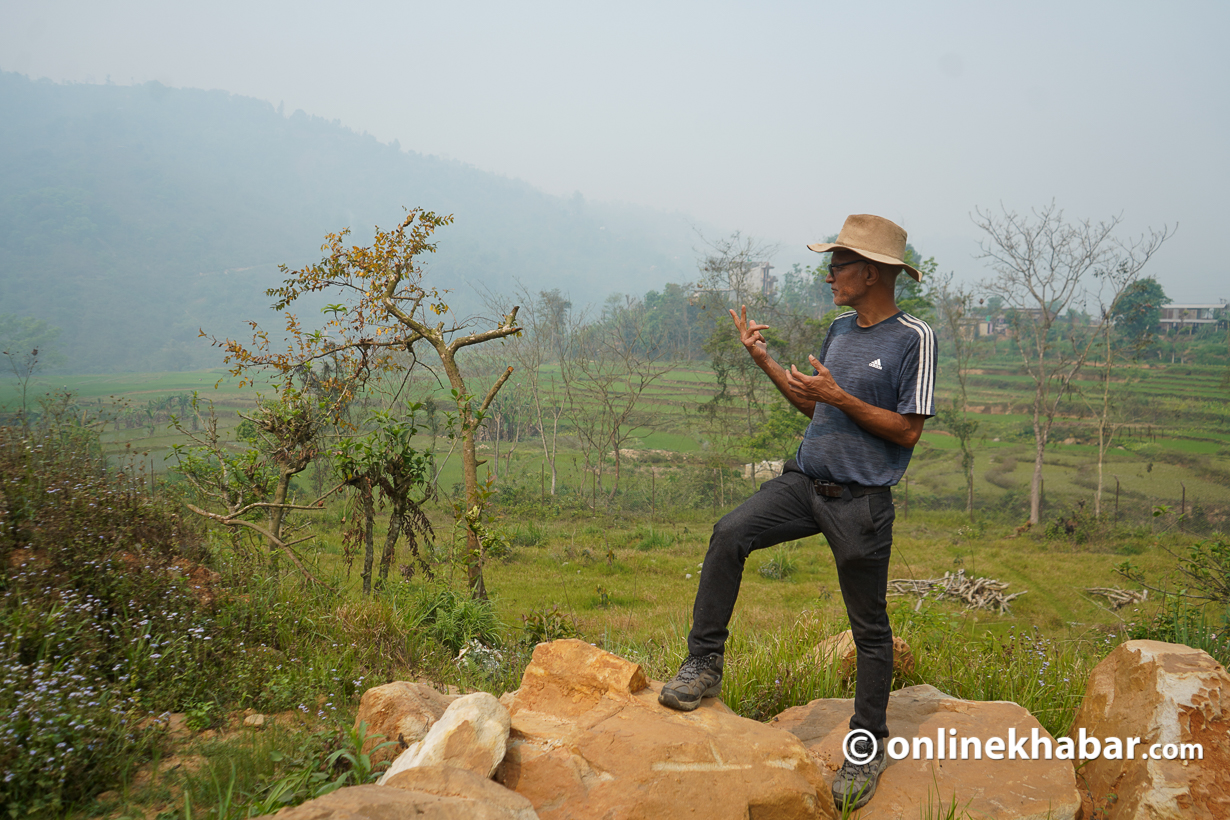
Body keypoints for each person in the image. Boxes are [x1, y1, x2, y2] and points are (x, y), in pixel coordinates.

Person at [658, 214, 936, 811]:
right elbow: (817, 410)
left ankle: (867, 744)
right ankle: (703, 662)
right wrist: (763, 360)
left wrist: (839, 395)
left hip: (861, 502)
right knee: (729, 533)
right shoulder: (839, 329)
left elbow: (908, 432)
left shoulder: (914, 337)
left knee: (869, 627)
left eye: (838, 265)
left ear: (871, 272)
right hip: (805, 482)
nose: (829, 276)